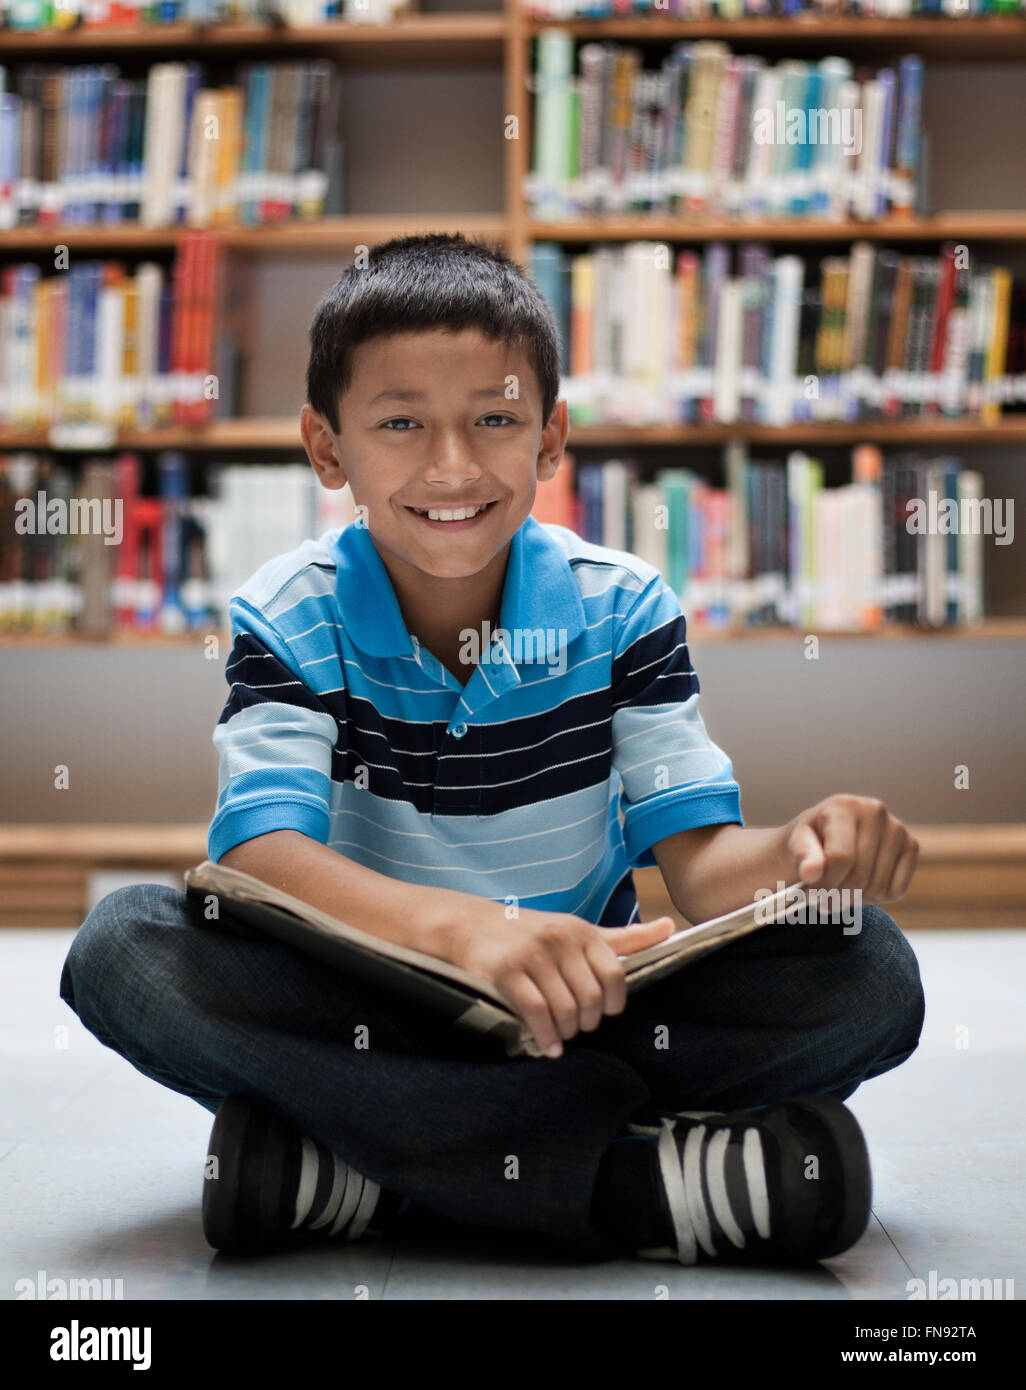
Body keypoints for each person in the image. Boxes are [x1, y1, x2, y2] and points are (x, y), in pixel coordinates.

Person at [60, 233, 925, 1267]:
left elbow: (703, 872)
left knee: (868, 966)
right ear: (327, 447)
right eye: (400, 424)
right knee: (124, 948)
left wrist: (805, 852)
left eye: (496, 421)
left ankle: (370, 1174)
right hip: (372, 1022)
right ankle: (631, 1181)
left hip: (589, 1010)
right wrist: (468, 934)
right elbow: (261, 859)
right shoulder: (289, 616)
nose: (453, 464)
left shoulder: (624, 606)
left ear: (550, 438)